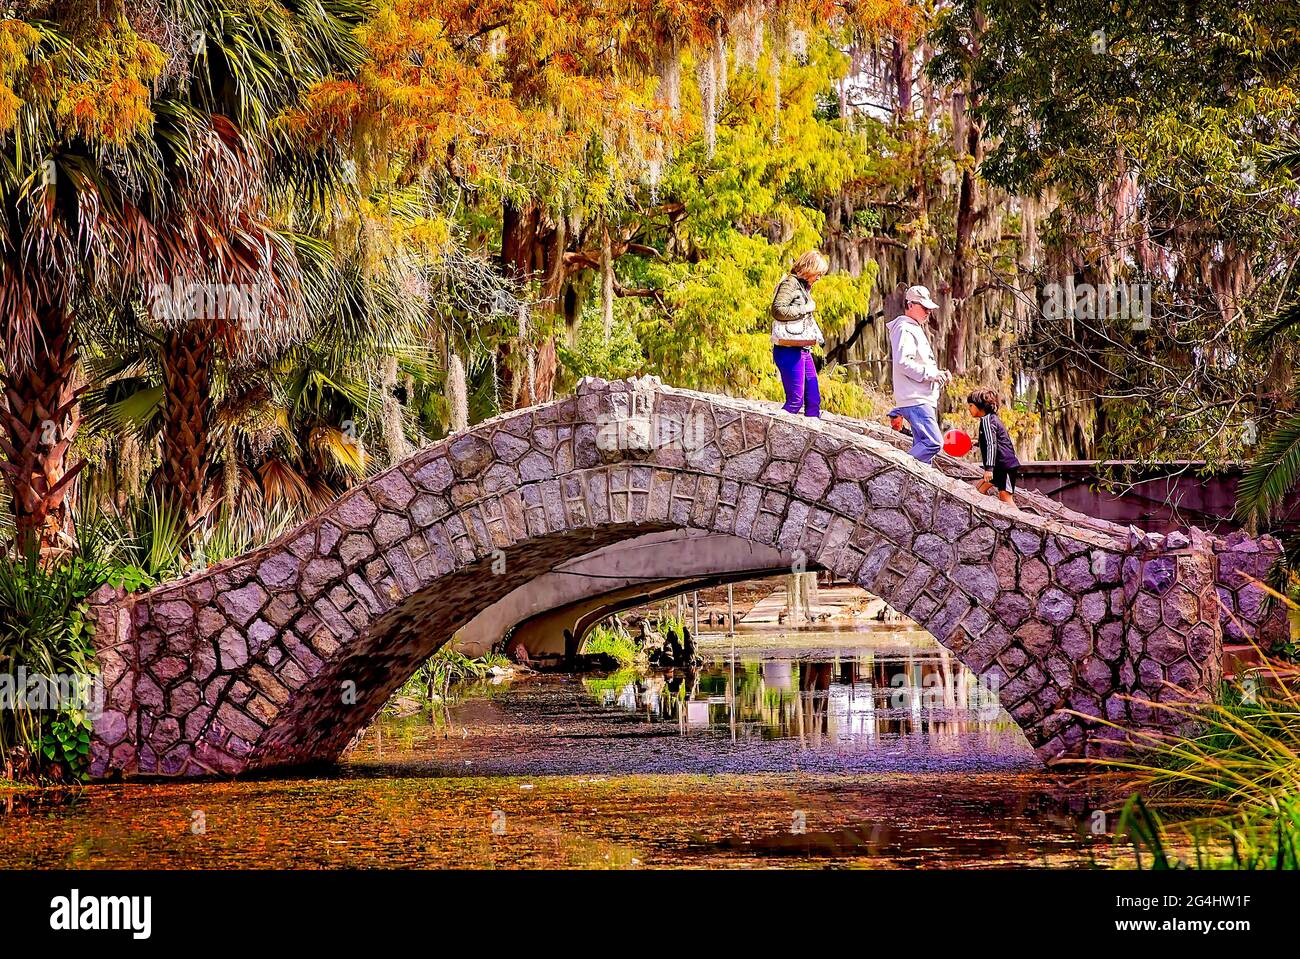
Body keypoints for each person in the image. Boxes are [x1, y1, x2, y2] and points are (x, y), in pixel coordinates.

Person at [887, 284, 950, 463]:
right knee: (933, 442)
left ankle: (914, 487)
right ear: (910, 305)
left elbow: (917, 363)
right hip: (916, 398)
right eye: (924, 307)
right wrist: (931, 375)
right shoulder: (904, 328)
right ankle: (900, 470)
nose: (928, 312)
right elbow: (903, 362)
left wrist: (938, 374)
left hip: (920, 397)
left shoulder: (912, 328)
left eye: (929, 308)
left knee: (922, 447)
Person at [770, 251, 828, 418]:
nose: (819, 278)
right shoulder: (790, 283)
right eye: (818, 274)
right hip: (789, 350)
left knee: (813, 400)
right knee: (795, 401)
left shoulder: (802, 286)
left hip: (802, 349)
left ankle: (811, 438)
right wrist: (805, 308)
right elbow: (777, 310)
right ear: (808, 269)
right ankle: (776, 436)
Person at [967, 388, 1021, 504]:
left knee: (1005, 497)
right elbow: (992, 440)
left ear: (979, 406)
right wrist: (977, 443)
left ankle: (1021, 521)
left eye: (971, 405)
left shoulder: (987, 421)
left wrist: (989, 469)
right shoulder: (989, 419)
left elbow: (992, 444)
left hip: (1005, 466)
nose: (969, 409)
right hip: (999, 466)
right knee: (979, 491)